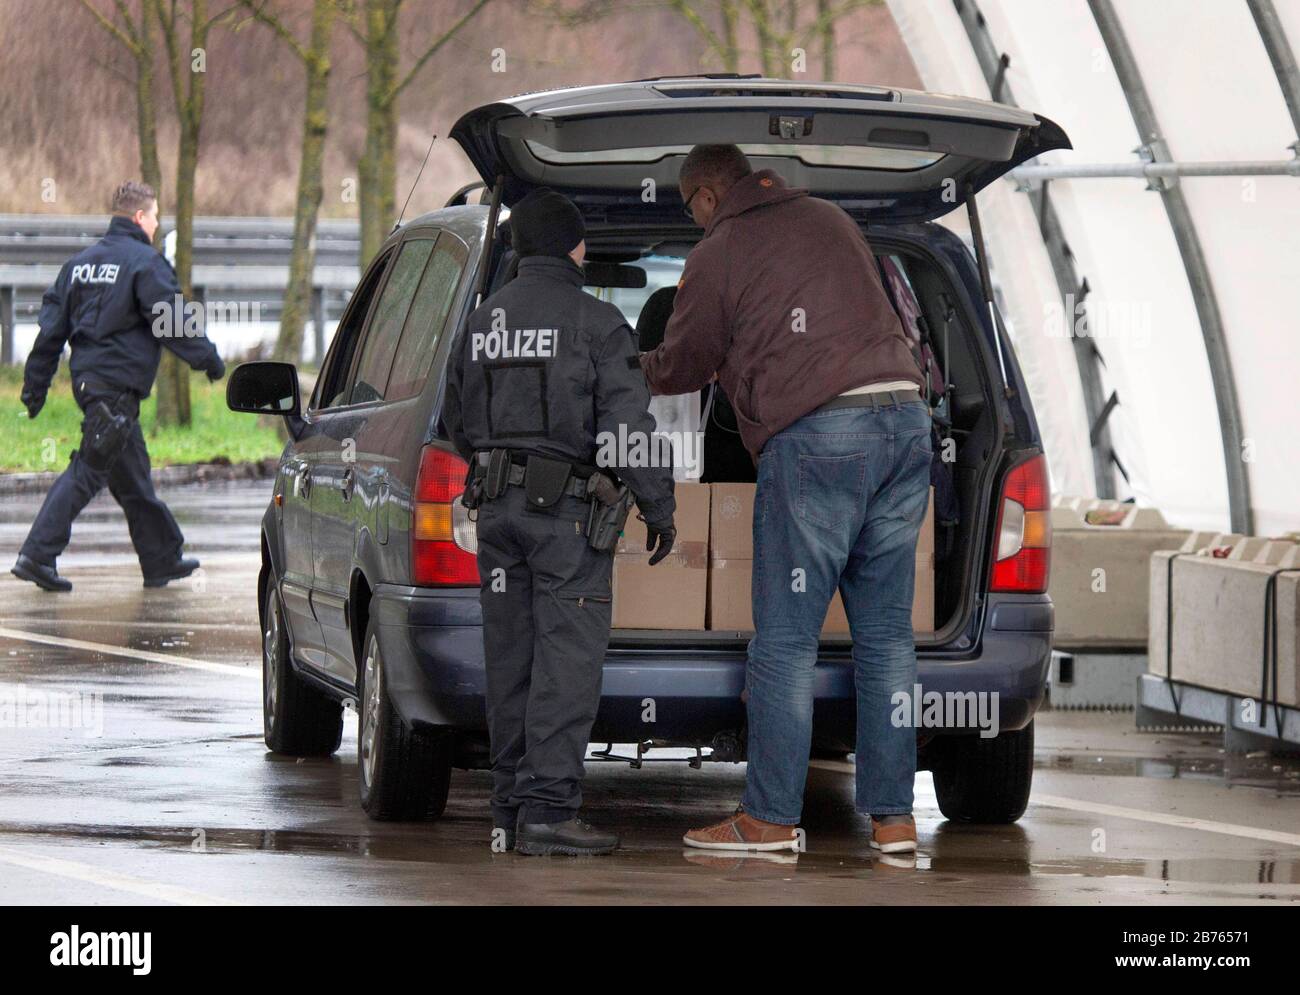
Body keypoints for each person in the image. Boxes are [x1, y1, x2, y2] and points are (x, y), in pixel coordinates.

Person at [640, 145, 930, 854]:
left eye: (690, 212)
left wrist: (617, 365)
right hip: (905, 422)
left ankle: (769, 818)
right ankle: (894, 822)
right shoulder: (832, 218)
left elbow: (684, 361)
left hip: (823, 437)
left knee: (786, 641)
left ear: (706, 197)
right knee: (888, 638)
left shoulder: (722, 248)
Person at [442, 187, 676, 856]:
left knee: (510, 659)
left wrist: (501, 467)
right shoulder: (596, 323)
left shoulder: (480, 321)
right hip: (567, 520)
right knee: (565, 664)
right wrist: (658, 506)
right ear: (574, 247)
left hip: (495, 515)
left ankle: (509, 810)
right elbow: (627, 432)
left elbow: (457, 422)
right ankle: (548, 811)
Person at [12, 181, 225, 593]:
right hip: (115, 387)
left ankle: (161, 559)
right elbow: (172, 321)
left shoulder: (79, 264)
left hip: (92, 384)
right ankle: (37, 555)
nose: (158, 225)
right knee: (89, 469)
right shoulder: (145, 263)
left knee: (132, 474)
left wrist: (34, 389)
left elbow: (49, 333)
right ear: (140, 218)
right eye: (156, 217)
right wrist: (210, 360)